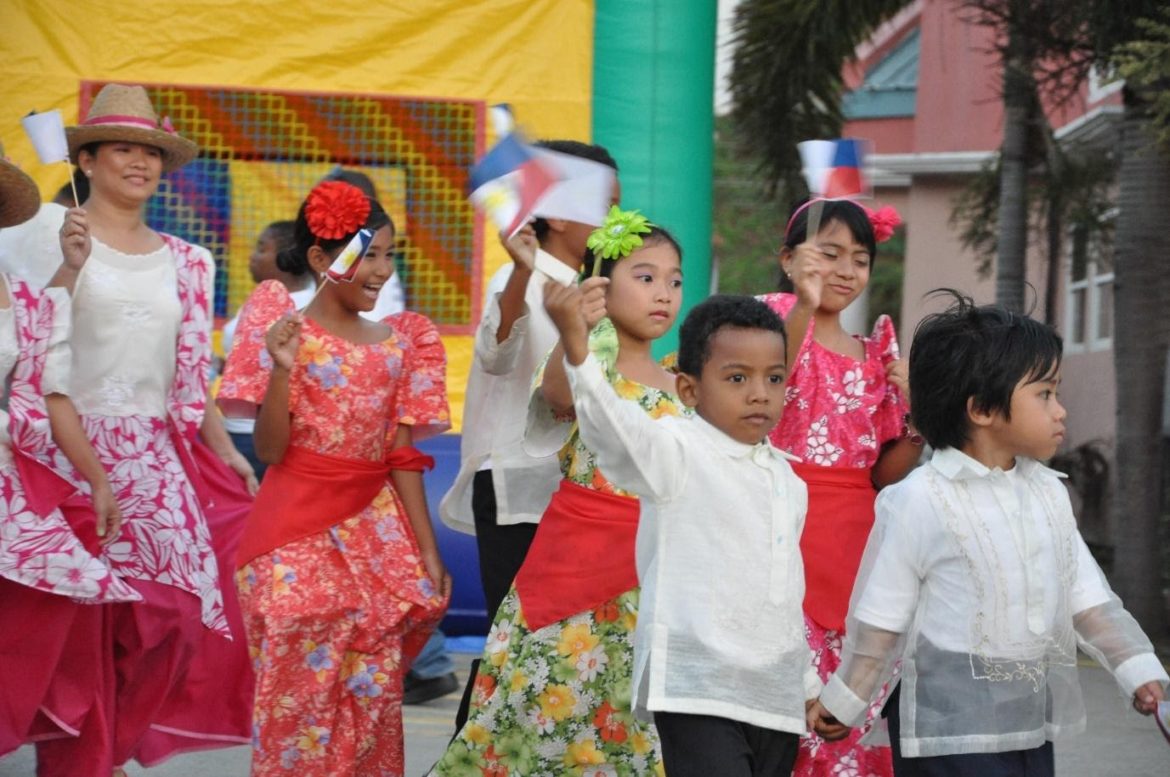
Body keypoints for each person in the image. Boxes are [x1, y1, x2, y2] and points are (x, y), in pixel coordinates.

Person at [0, 82, 256, 774]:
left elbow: (188, 369)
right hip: (66, 449)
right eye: (122, 148)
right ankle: (82, 762)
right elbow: (33, 355)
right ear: (86, 161)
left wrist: (225, 447)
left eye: (150, 151)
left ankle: (104, 750)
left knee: (172, 620)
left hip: (157, 453)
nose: (139, 162)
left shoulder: (190, 260)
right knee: (88, 627)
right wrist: (68, 266)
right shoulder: (46, 242)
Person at [809, 292, 1169, 776]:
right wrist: (846, 701)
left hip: (1026, 721)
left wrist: (1138, 670)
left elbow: (1087, 599)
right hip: (946, 729)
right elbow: (881, 618)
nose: (1060, 410)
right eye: (1044, 394)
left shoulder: (1048, 494)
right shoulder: (920, 498)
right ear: (981, 409)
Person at [547, 291, 852, 776]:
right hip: (698, 688)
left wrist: (808, 687)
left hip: (774, 699)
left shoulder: (788, 480)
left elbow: (784, 596)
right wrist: (577, 349)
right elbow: (617, 430)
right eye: (737, 378)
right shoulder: (675, 451)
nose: (760, 393)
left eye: (774, 378)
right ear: (689, 391)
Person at [431, 209, 682, 777]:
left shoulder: (683, 381)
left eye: (673, 279)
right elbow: (561, 395)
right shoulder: (584, 362)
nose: (663, 293)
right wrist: (578, 333)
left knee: (627, 735)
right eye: (645, 277)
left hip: (651, 588)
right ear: (598, 286)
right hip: (570, 582)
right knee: (545, 716)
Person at [219, 180, 452, 775]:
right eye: (366, 254)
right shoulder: (286, 332)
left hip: (376, 539)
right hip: (293, 534)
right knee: (295, 706)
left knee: (372, 704)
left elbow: (400, 456)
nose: (380, 269)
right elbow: (272, 451)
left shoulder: (403, 345)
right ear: (321, 260)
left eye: (387, 254)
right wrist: (280, 370)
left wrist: (427, 551)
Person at [440, 139, 619, 722]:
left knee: (541, 649)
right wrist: (519, 274)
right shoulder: (521, 273)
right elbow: (495, 353)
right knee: (508, 646)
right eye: (606, 204)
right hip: (518, 490)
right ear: (559, 213)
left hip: (569, 493)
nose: (617, 219)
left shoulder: (592, 288)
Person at [759, 197, 918, 776]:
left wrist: (918, 421)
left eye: (860, 258)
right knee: (785, 696)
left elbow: (881, 473)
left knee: (848, 702)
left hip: (857, 544)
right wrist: (801, 300)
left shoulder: (876, 353)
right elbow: (770, 365)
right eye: (828, 254)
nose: (846, 270)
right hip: (780, 528)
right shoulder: (769, 317)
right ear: (789, 258)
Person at [0, 146, 131, 762]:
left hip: (9, 483)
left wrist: (73, 268)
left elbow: (37, 350)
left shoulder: (7, 280)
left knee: (35, 626)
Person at [220, 219, 302, 480]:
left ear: (284, 255)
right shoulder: (262, 299)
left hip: (259, 435)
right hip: (235, 428)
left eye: (261, 248)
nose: (253, 257)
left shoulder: (303, 307)